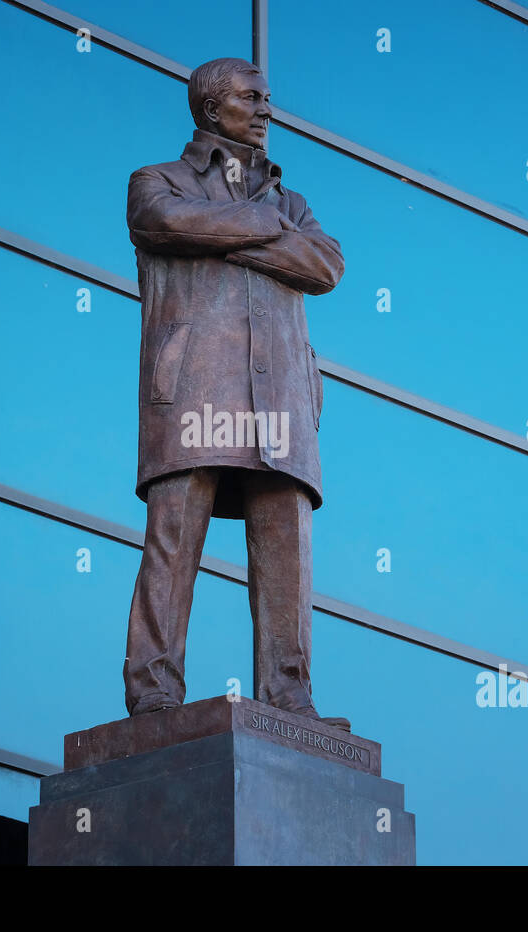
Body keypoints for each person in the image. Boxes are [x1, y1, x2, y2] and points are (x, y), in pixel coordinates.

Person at [124, 58, 350, 730]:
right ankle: (153, 693)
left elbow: (326, 264)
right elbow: (163, 223)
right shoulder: (156, 180)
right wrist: (266, 231)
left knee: (286, 545)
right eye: (251, 98)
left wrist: (227, 232)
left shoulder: (293, 200)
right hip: (194, 389)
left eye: (266, 98)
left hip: (280, 398)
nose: (264, 110)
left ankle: (289, 695)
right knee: (173, 540)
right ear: (210, 106)